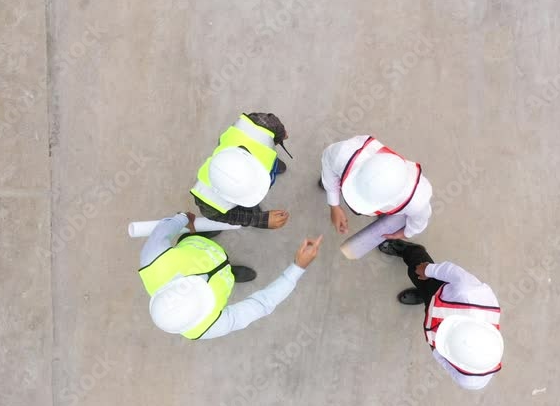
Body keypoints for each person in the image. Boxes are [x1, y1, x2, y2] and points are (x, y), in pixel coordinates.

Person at [138, 212, 322, 340]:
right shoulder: (206, 328)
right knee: (225, 274)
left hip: (198, 245)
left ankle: (202, 233)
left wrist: (183, 218)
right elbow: (262, 303)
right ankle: (229, 273)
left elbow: (163, 230)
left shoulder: (152, 262)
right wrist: (298, 267)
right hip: (214, 265)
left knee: (192, 235)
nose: (203, 281)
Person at [379, 239, 503, 390]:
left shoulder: (470, 379)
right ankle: (409, 250)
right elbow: (453, 273)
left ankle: (427, 300)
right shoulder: (470, 293)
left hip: (438, 313)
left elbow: (446, 363)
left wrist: (437, 352)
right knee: (416, 271)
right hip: (443, 291)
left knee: (428, 300)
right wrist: (429, 270)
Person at [191, 112, 292, 230]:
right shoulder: (208, 201)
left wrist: (280, 133)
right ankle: (270, 169)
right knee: (249, 209)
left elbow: (269, 122)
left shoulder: (254, 129)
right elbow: (223, 216)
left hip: (264, 157)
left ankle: (271, 166)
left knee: (270, 162)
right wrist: (259, 219)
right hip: (261, 157)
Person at [319, 135, 432, 240]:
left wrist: (407, 233)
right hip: (344, 165)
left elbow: (420, 219)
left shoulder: (416, 201)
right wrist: (333, 202)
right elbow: (328, 162)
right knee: (331, 176)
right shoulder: (343, 154)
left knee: (332, 177)